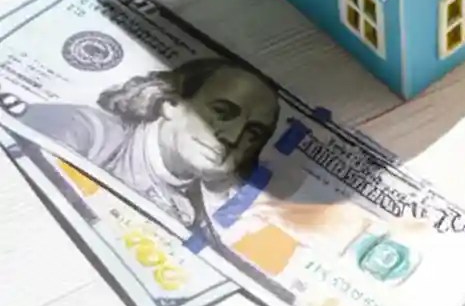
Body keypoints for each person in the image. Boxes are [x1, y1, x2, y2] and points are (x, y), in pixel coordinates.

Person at [19, 57, 280, 235]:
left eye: (252, 133)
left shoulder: (201, 214)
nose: (233, 137)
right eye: (222, 111)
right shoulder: (87, 129)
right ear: (172, 103)